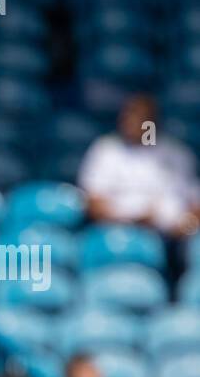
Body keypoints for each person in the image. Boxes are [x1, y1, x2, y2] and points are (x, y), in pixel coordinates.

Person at [78, 93, 200, 288]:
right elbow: (93, 205)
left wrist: (182, 227)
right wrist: (133, 219)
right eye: (129, 116)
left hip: (173, 239)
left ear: (154, 120)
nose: (132, 122)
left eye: (141, 117)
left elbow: (195, 209)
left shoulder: (178, 154)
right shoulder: (106, 151)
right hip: (119, 233)